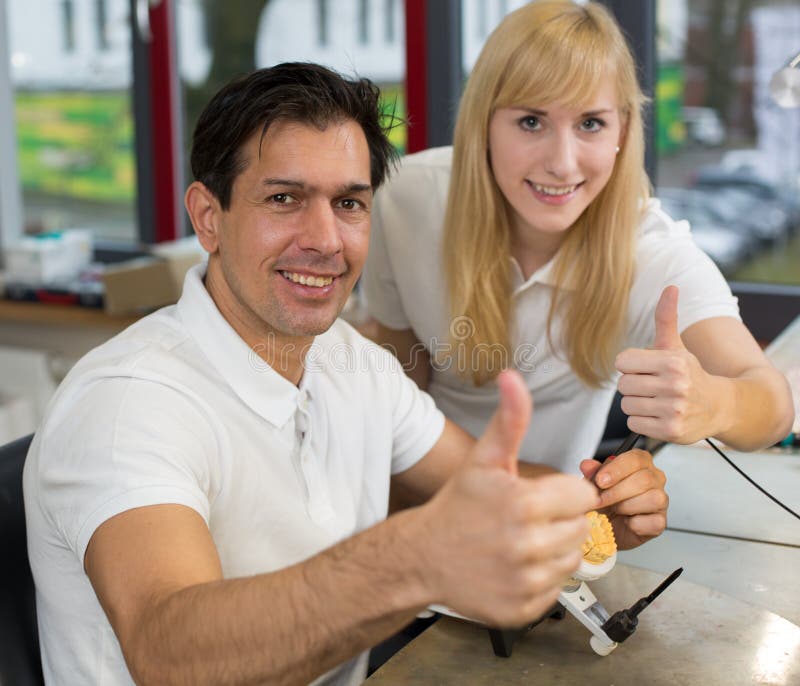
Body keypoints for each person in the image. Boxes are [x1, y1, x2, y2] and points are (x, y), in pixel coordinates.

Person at [24, 63, 608, 686]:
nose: (327, 240)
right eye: (284, 199)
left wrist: (595, 502)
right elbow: (169, 655)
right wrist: (408, 562)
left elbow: (486, 486)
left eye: (349, 203)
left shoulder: (348, 359)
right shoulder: (127, 403)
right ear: (208, 217)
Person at [362, 0, 794, 516]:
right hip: (417, 502)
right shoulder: (406, 200)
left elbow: (772, 405)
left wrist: (715, 404)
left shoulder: (652, 254)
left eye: (590, 123)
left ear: (623, 132)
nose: (562, 164)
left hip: (548, 522)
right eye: (531, 121)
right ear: (483, 125)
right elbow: (397, 383)